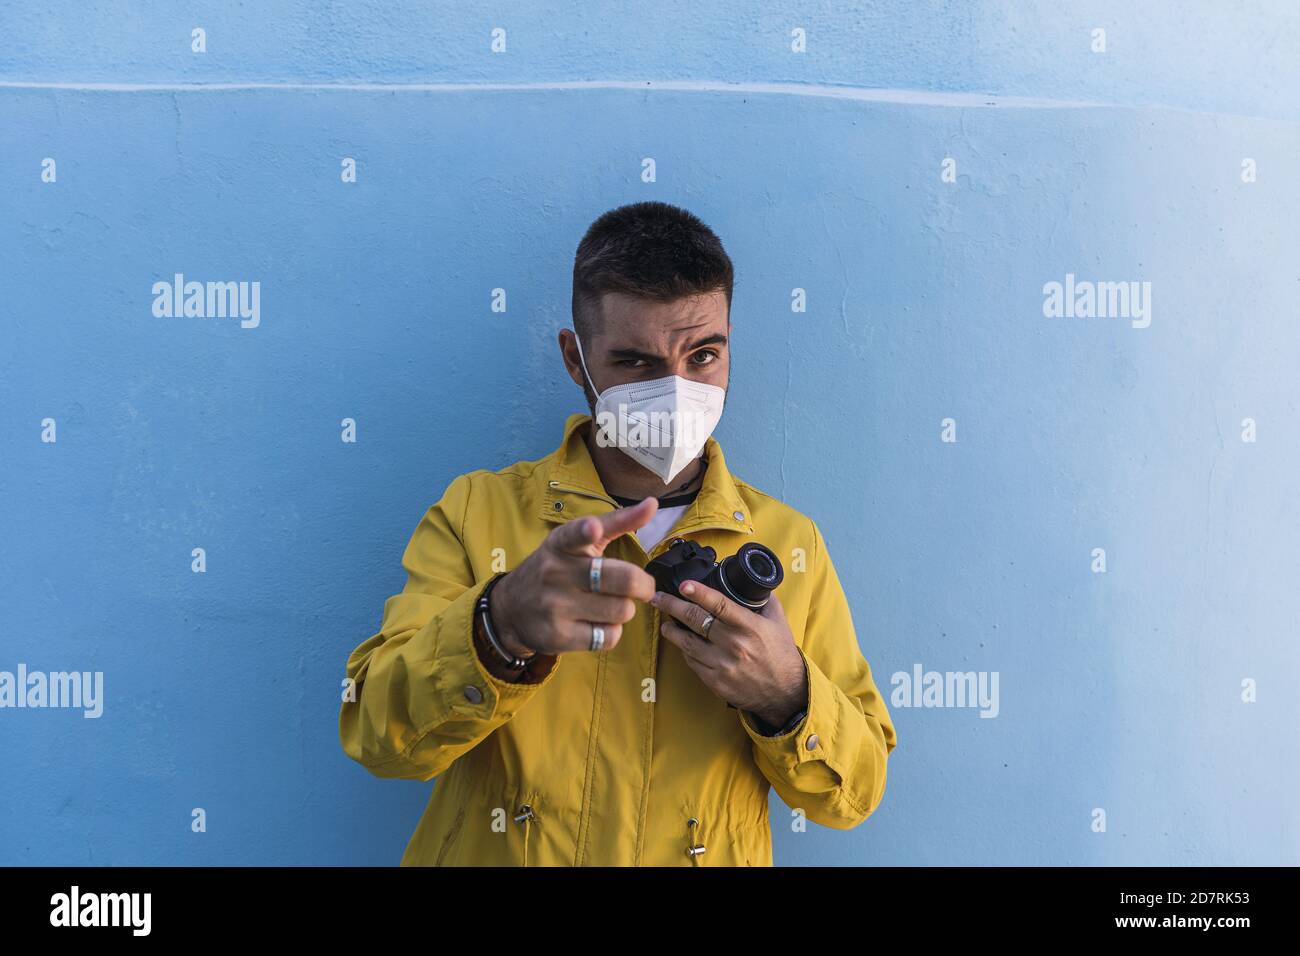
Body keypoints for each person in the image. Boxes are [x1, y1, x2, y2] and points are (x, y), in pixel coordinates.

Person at [338, 200, 897, 866]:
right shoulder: (476, 514)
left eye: (704, 354)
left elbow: (854, 796)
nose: (676, 389)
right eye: (635, 362)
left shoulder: (787, 542)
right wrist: (499, 623)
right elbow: (379, 739)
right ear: (576, 360)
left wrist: (786, 695)